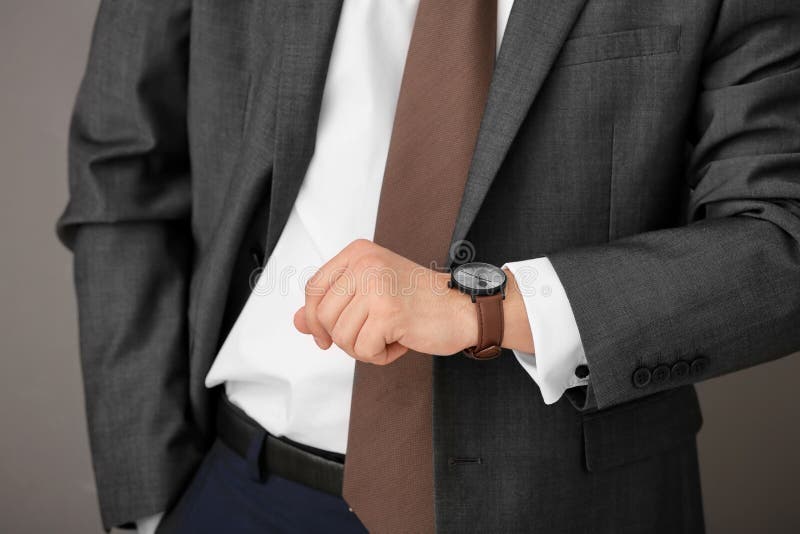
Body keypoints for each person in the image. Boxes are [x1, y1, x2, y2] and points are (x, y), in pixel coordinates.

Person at [58, 1, 800, 532]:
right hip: (249, 493)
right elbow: (126, 167)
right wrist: (151, 505)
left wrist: (491, 307)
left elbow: (780, 241)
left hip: (572, 508)